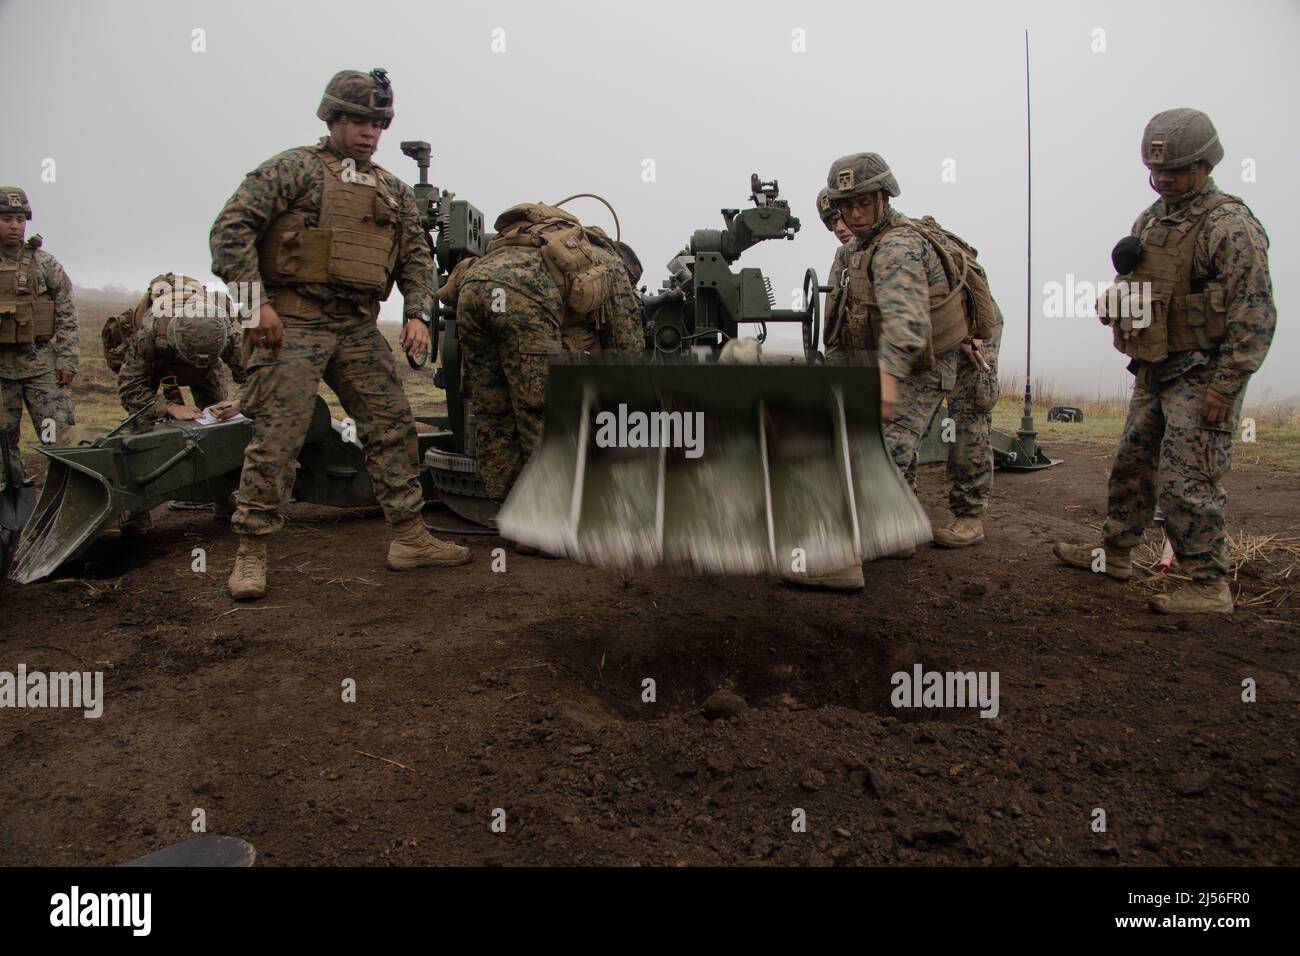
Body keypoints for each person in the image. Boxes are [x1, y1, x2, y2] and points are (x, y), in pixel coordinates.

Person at [209, 67, 470, 601]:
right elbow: (230, 230)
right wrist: (255, 305)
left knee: (392, 425)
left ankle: (410, 538)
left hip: (355, 325)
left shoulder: (392, 191)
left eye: (378, 123)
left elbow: (416, 259)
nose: (368, 132)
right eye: (357, 120)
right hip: (291, 321)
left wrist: (419, 314)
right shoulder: (292, 170)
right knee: (278, 438)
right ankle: (252, 551)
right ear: (332, 118)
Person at [1054, 108, 1275, 614]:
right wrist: (1114, 303)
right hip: (1154, 369)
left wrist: (1226, 386)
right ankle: (1114, 555)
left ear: (1205, 164)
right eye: (1157, 172)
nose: (1164, 180)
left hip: (1202, 375)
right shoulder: (1152, 220)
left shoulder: (1230, 225)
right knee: (1132, 465)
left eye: (1175, 170)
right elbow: (1140, 285)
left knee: (1187, 480)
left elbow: (1254, 311)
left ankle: (1207, 582)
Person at [448, 203, 643, 504]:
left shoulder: (537, 241)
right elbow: (627, 347)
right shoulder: (609, 264)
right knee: (543, 411)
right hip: (522, 298)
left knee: (493, 410)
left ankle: (510, 510)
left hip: (472, 290)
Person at [108, 275, 246, 534]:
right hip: (159, 360)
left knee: (219, 424)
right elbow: (129, 388)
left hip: (207, 368)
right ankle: (138, 508)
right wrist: (169, 408)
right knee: (144, 431)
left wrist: (238, 403)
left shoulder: (228, 330)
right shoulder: (151, 330)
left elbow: (256, 377)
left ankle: (223, 496)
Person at [0, 187, 78, 451]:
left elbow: (67, 313)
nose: (14, 226)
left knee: (60, 439)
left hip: (41, 368)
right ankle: (13, 490)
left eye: (20, 220)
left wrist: (67, 360)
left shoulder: (45, 263)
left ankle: (69, 490)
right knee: (3, 444)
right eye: (6, 219)